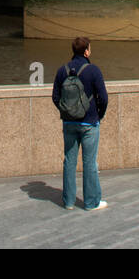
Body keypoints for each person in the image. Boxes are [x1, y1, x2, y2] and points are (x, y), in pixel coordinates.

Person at [52, 36, 110, 210]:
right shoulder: (93, 70)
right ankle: (91, 202)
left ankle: (68, 201)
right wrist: (98, 114)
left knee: (69, 161)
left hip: (69, 123)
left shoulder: (62, 70)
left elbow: (55, 97)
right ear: (86, 51)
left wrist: (66, 112)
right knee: (90, 162)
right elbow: (104, 97)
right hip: (89, 123)